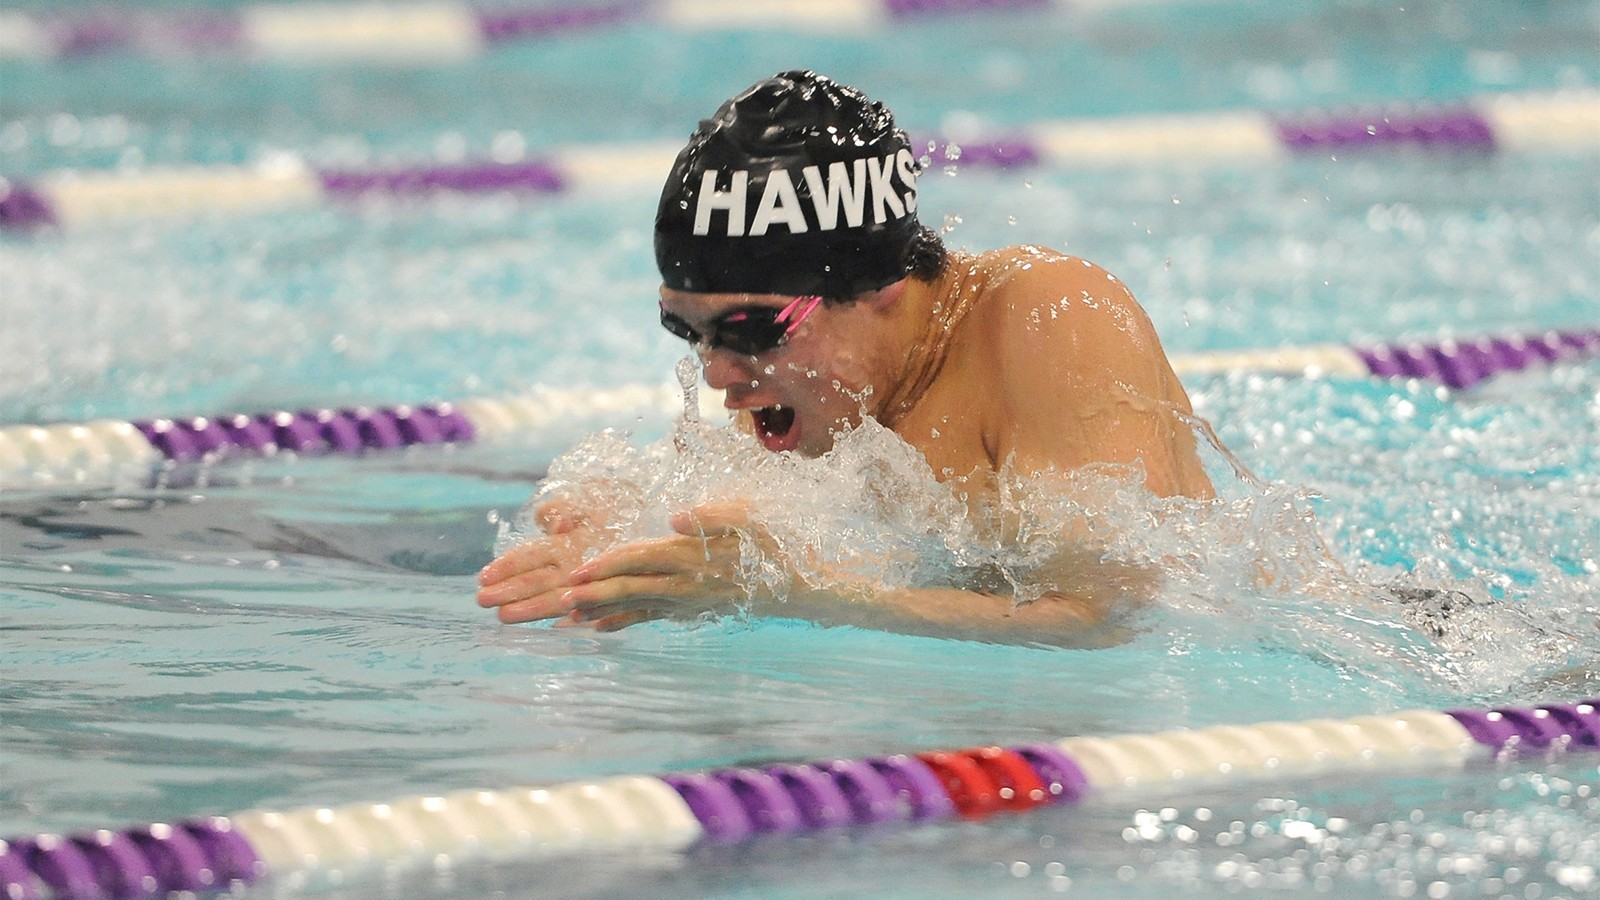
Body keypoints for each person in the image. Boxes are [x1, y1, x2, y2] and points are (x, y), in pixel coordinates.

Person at [476, 70, 1214, 643]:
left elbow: (1110, 620)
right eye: (689, 332)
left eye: (753, 332)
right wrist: (625, 550)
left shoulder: (1052, 318)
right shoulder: (803, 398)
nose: (718, 374)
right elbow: (769, 553)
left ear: (881, 283)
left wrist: (803, 598)